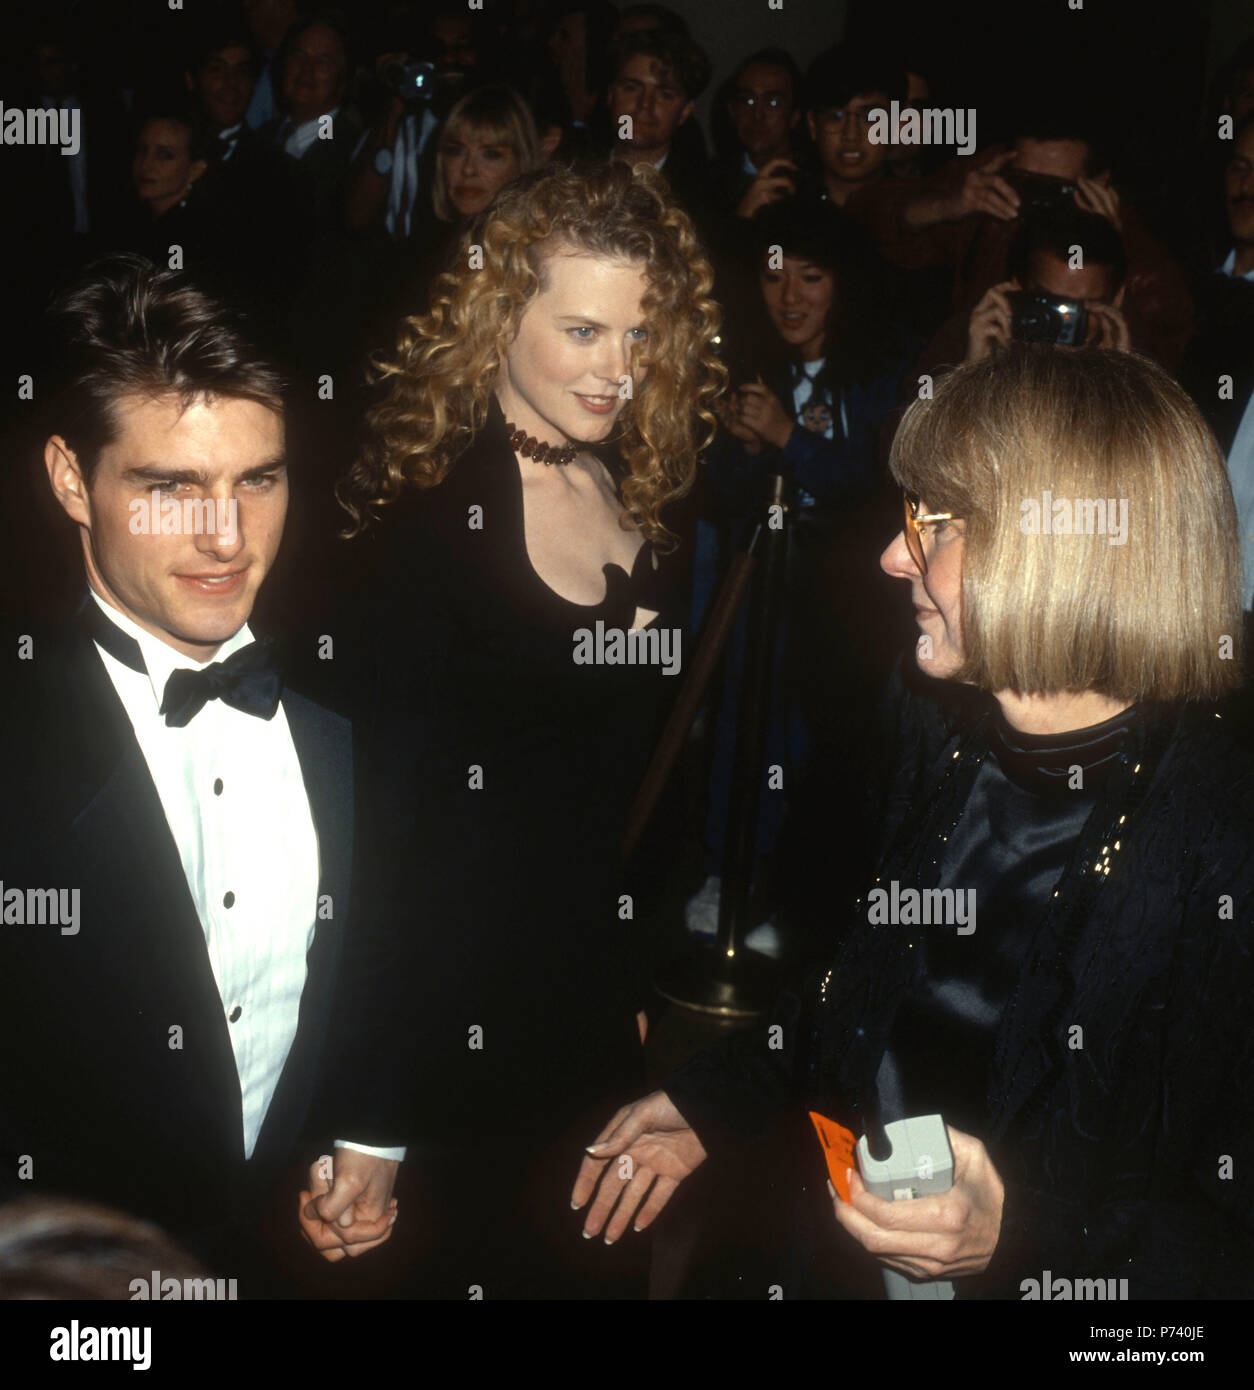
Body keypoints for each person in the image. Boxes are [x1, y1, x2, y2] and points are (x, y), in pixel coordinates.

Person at [572, 345, 1254, 1300]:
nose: (894, 554)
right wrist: (719, 1096)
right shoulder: (934, 723)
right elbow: (864, 994)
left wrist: (1028, 1239)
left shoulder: (1224, 842)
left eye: (932, 522)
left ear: (1060, 545)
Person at [330, 158, 724, 1296]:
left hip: (585, 1006)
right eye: (585, 330)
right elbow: (384, 847)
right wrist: (373, 1116)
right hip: (443, 1019)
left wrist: (635, 977)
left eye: (642, 335)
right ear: (502, 313)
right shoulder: (428, 518)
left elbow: (637, 784)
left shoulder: (646, 496)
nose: (618, 371)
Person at [0, 254, 401, 1289]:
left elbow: (398, 940)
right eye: (171, 487)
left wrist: (373, 1126)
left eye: (256, 480)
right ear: (68, 480)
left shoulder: (362, 701)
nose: (224, 536)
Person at [687, 199, 912, 951]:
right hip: (760, 584)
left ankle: (795, 894)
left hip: (846, 601)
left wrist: (789, 438)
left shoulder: (878, 377)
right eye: (775, 275)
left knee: (817, 744)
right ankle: (726, 872)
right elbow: (712, 489)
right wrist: (744, 446)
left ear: (841, 285)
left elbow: (878, 484)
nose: (790, 296)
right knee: (737, 725)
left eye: (811, 277)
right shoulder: (750, 366)